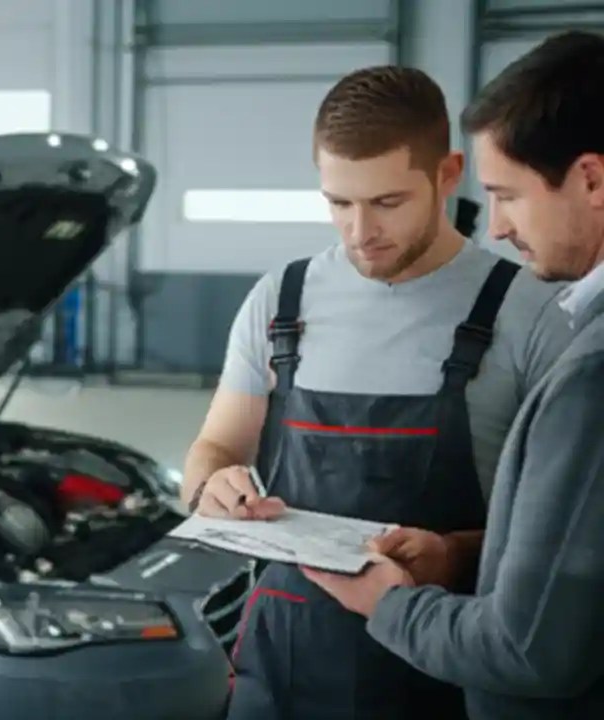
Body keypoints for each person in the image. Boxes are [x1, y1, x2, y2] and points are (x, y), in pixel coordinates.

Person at [178, 65, 577, 719]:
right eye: (339, 203)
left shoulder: (533, 313)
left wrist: (453, 555)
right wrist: (211, 485)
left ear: (448, 175)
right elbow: (213, 449)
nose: (360, 231)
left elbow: (569, 539)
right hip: (278, 672)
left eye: (387, 202)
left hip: (440, 671)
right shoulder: (280, 300)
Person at [302, 30, 604, 719]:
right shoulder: (282, 299)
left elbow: (530, 650)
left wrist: (390, 602)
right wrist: (454, 558)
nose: (495, 227)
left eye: (509, 195)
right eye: (338, 203)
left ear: (589, 179)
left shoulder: (589, 364)